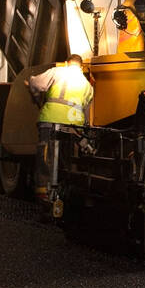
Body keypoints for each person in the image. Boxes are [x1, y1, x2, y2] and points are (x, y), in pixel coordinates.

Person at [28, 55, 94, 202]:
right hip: (74, 127)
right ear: (81, 67)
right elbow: (86, 114)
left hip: (51, 120)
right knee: (68, 160)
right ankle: (66, 194)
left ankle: (44, 194)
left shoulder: (57, 72)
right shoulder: (88, 86)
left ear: (66, 63)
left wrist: (34, 91)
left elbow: (36, 83)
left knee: (45, 156)